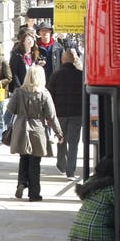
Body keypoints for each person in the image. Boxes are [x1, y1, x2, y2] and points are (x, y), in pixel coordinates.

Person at [5, 64, 63, 202]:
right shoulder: (44, 93)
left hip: (20, 128)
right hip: (37, 129)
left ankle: (21, 183)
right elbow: (51, 116)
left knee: (23, 158)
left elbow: (9, 111)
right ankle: (34, 194)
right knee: (35, 162)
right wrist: (59, 133)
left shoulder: (19, 92)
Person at [47, 48, 83, 179]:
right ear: (74, 60)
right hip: (77, 113)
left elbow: (50, 96)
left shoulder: (55, 75)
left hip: (60, 114)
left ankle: (61, 164)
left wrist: (49, 115)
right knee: (74, 142)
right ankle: (71, 171)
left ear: (62, 60)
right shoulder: (81, 75)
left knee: (61, 139)